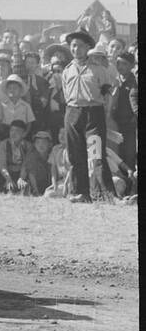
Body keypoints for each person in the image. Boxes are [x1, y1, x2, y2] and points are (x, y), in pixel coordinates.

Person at [59, 28, 117, 202]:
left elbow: (107, 95)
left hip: (93, 113)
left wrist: (104, 116)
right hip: (73, 113)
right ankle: (81, 193)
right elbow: (66, 94)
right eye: (73, 46)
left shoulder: (98, 70)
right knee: (75, 155)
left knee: (96, 153)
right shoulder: (67, 70)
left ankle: (106, 194)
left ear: (87, 48)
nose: (76, 49)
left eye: (80, 46)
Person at [109, 51, 138, 176]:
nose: (120, 66)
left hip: (129, 127)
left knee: (129, 157)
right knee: (115, 156)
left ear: (132, 66)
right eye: (119, 63)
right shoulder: (114, 81)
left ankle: (131, 188)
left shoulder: (134, 83)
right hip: (114, 125)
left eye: (124, 64)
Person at [0, 120, 32, 194]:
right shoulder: (4, 144)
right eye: (12, 130)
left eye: (18, 131)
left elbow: (26, 164)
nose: (14, 133)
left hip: (22, 174)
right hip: (7, 174)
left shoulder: (27, 146)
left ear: (24, 134)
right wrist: (8, 179)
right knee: (8, 189)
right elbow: (2, 165)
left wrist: (21, 178)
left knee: (24, 189)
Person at [21, 130, 54, 196]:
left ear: (50, 144)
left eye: (44, 142)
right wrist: (36, 190)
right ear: (34, 144)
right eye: (38, 142)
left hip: (49, 184)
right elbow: (31, 174)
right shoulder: (32, 156)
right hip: (35, 184)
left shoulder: (53, 154)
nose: (40, 145)